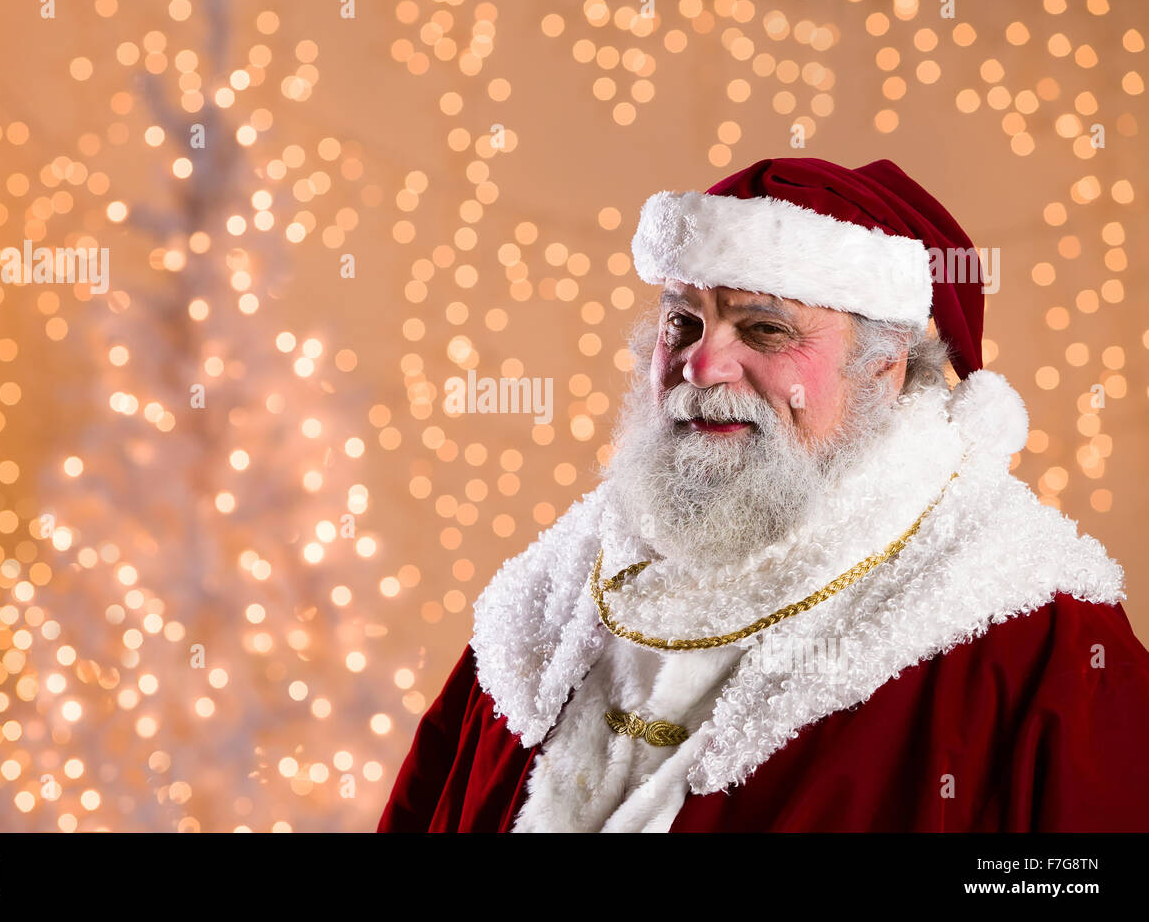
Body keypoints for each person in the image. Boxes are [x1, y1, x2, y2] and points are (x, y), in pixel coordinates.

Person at [377, 157, 1149, 832]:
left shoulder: (1036, 642)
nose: (702, 366)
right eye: (684, 321)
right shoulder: (553, 597)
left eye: (766, 331)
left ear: (884, 366)